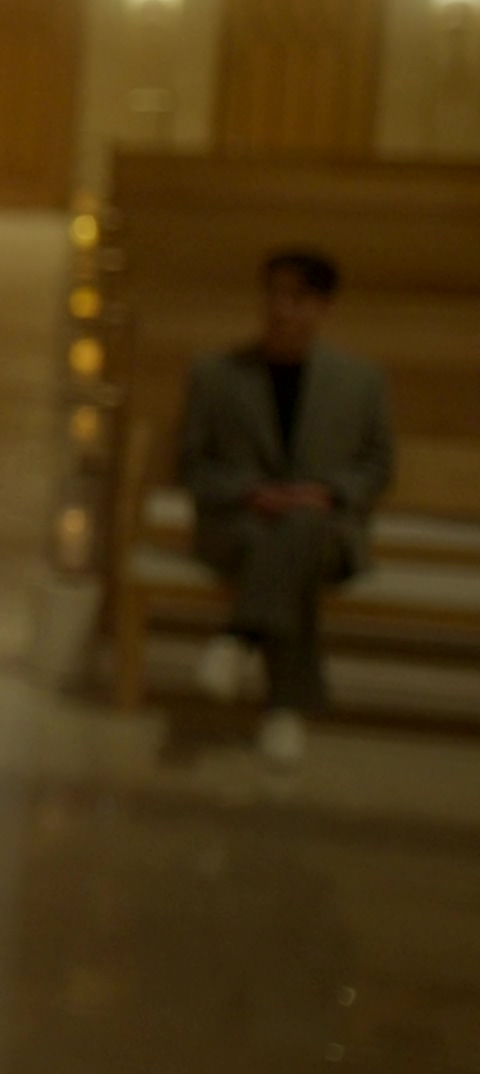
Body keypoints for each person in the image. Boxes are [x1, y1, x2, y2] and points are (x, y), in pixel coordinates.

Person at [181, 248, 396, 767]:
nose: (282, 309)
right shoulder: (216, 374)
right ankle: (283, 709)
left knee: (303, 524)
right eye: (274, 295)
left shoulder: (361, 381)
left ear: (323, 307)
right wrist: (250, 492)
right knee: (289, 547)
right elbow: (192, 465)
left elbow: (377, 467)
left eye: (297, 298)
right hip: (240, 526)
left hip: (325, 530)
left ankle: (238, 638)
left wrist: (329, 491)